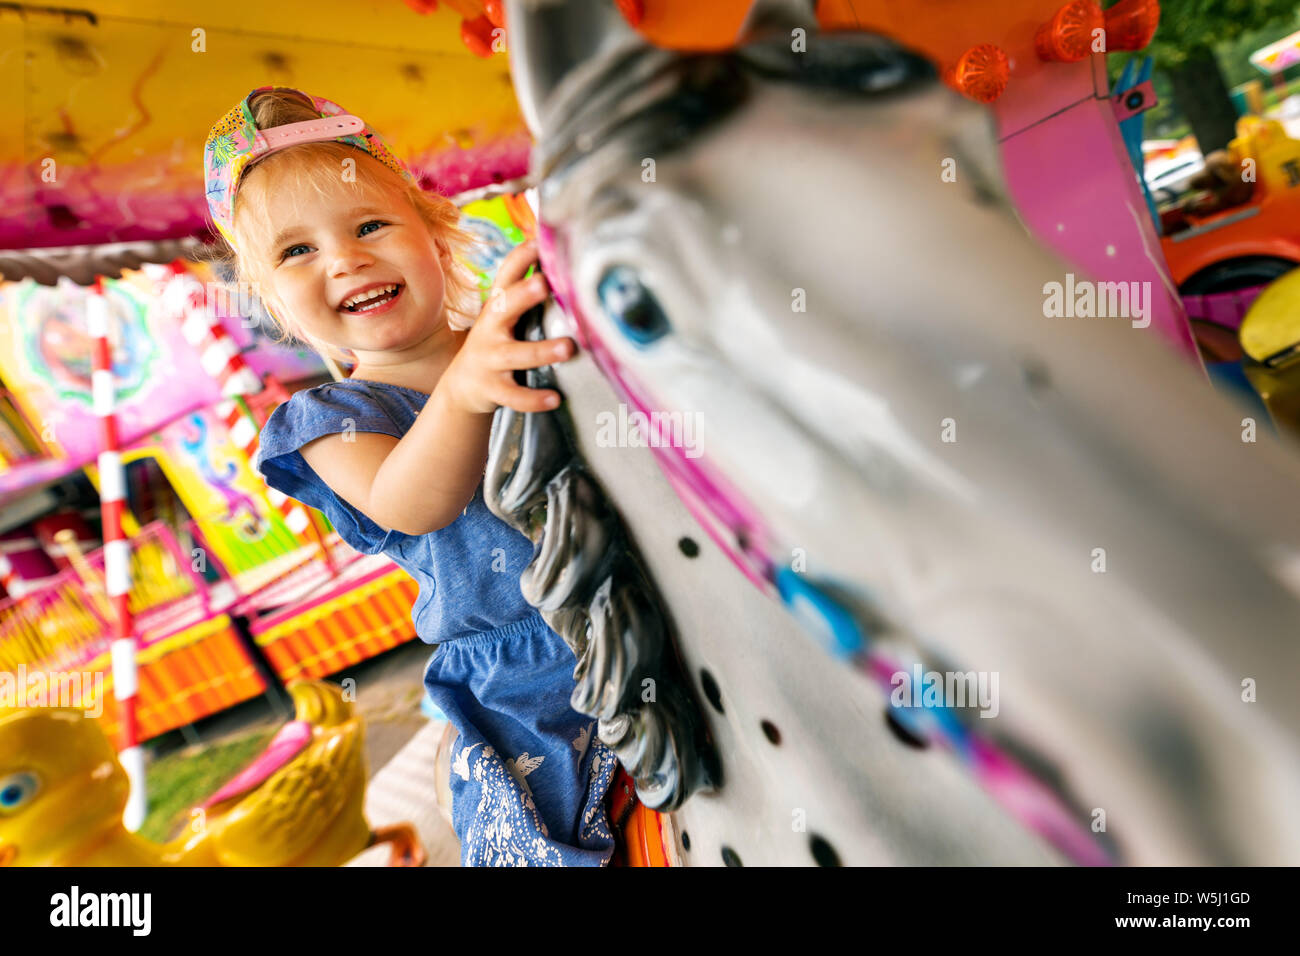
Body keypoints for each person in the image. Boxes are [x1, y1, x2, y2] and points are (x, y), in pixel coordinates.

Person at [203, 86, 616, 866]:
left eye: (369, 225)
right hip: (528, 682)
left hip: (641, 594)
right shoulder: (330, 420)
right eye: (297, 252)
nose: (345, 258)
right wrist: (465, 389)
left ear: (435, 232)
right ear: (275, 305)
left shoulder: (523, 336)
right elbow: (412, 501)